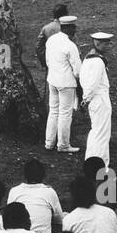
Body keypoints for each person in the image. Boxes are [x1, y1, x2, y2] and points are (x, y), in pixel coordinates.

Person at [8, 159, 64, 233]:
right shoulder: (49, 192)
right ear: (43, 175)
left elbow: (8, 219)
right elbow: (59, 220)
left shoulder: (14, 191)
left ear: (25, 175)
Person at [43, 14, 81, 155]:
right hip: (66, 82)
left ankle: (49, 142)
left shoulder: (52, 40)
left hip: (52, 79)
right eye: (73, 28)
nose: (75, 30)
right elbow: (77, 69)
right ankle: (63, 144)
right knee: (65, 113)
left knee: (53, 111)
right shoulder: (70, 45)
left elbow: (47, 60)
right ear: (69, 28)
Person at [79, 32, 113, 162]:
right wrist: (86, 99)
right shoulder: (98, 61)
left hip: (94, 99)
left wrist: (86, 98)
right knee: (102, 134)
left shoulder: (88, 59)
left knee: (95, 132)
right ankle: (101, 166)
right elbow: (93, 84)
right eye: (106, 43)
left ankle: (91, 161)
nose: (108, 46)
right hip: (99, 99)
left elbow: (82, 78)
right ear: (97, 43)